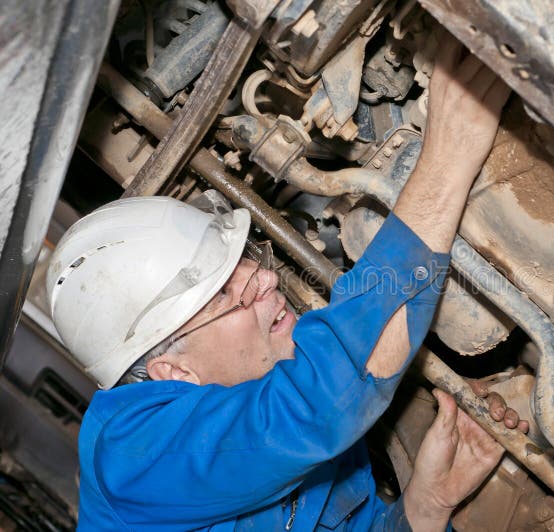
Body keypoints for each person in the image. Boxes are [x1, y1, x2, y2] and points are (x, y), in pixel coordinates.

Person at [47, 33, 522, 530]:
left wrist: (426, 507)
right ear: (174, 372)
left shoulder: (271, 398)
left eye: (247, 264)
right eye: (228, 295)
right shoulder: (131, 457)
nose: (266, 283)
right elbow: (316, 409)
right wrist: (448, 158)